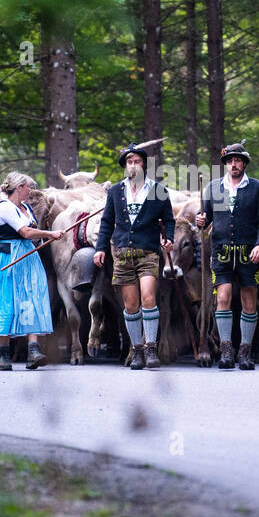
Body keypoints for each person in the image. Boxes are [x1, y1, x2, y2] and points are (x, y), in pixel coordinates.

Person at [93, 139, 174, 370]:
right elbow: (107, 222)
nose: (133, 165)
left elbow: (169, 219)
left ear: (144, 165)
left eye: (137, 161)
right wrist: (100, 248)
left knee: (148, 298)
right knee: (130, 305)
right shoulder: (116, 191)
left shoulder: (158, 191)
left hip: (148, 251)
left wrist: (169, 238)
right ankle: (136, 349)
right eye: (129, 161)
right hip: (122, 253)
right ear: (125, 166)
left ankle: (151, 349)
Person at [196, 142, 259, 370]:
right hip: (221, 252)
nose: (234, 164)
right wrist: (200, 222)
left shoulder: (257, 188)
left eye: (238, 160)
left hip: (249, 252)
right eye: (230, 161)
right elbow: (205, 219)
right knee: (223, 299)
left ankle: (245, 352)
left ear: (244, 163)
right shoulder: (213, 188)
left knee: (250, 300)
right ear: (225, 164)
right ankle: (226, 351)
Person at [0, 172, 63, 371]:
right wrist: (50, 234)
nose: (31, 190)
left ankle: (33, 350)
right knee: (6, 302)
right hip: (7, 256)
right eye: (28, 186)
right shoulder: (4, 207)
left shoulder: (27, 208)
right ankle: (3, 353)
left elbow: (29, 235)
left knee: (32, 298)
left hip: (28, 255)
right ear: (18, 187)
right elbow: (26, 232)